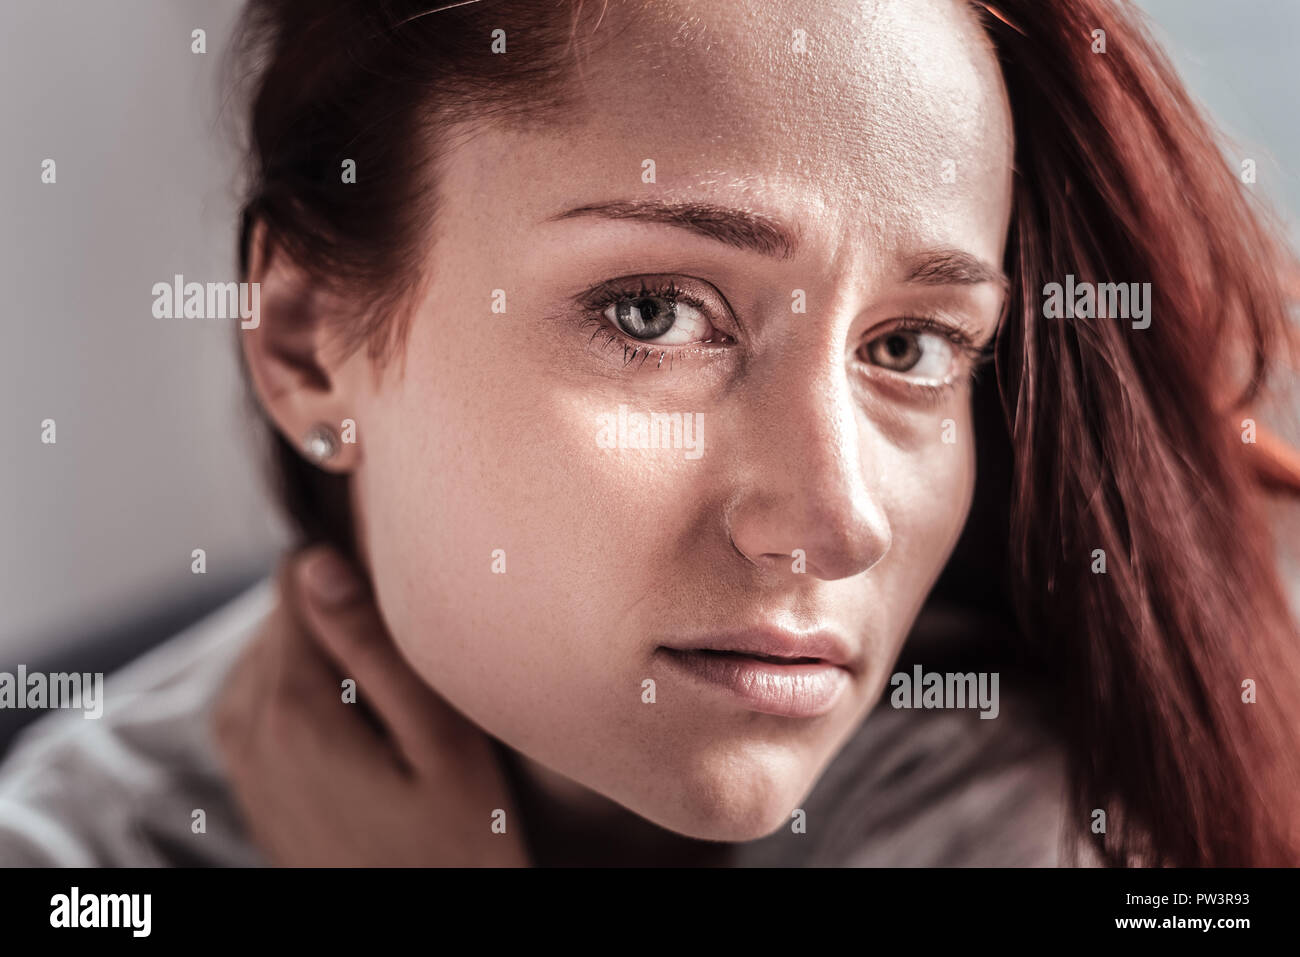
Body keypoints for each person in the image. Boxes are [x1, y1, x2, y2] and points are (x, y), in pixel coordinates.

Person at [1, 0, 1298, 867]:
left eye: (909, 347)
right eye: (654, 311)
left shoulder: (1039, 798)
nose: (839, 518)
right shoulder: (84, 848)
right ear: (304, 341)